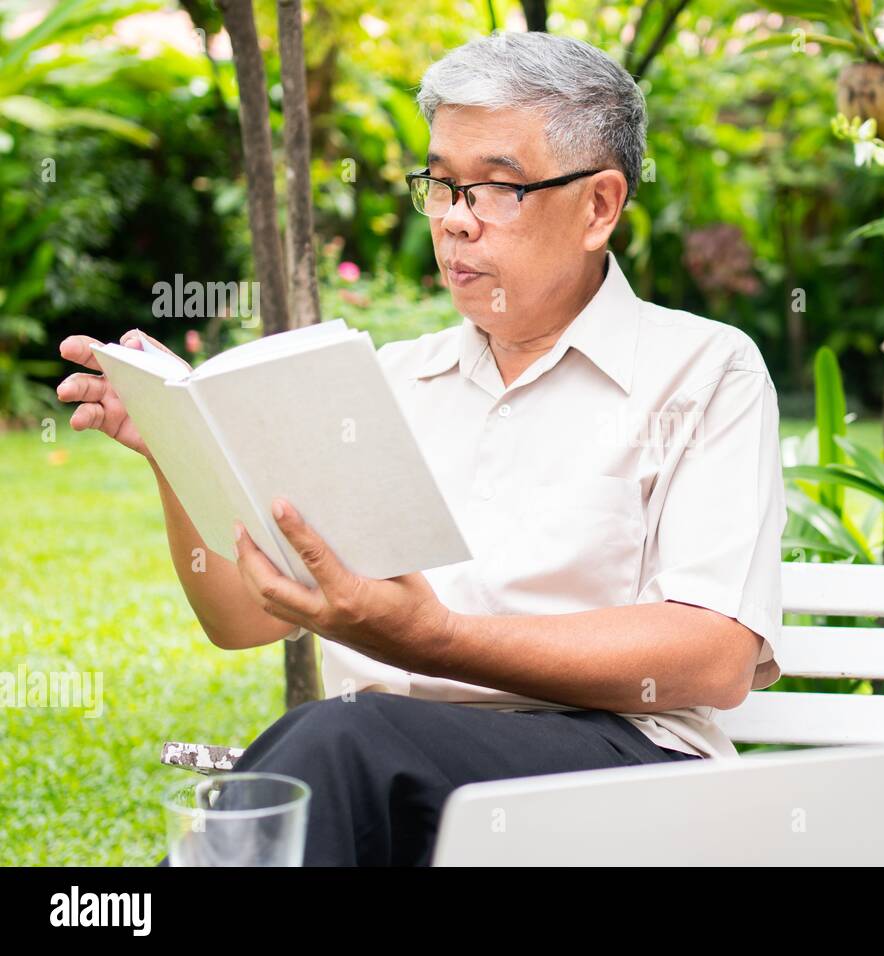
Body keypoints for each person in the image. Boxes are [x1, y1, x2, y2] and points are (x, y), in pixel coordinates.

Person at [57, 30, 787, 866]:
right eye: (440, 185)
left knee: (339, 744)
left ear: (600, 206)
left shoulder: (704, 371)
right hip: (386, 778)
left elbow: (715, 656)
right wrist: (174, 454)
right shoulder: (386, 382)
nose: (453, 221)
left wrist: (433, 637)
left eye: (495, 189)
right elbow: (242, 617)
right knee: (343, 750)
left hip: (619, 774)